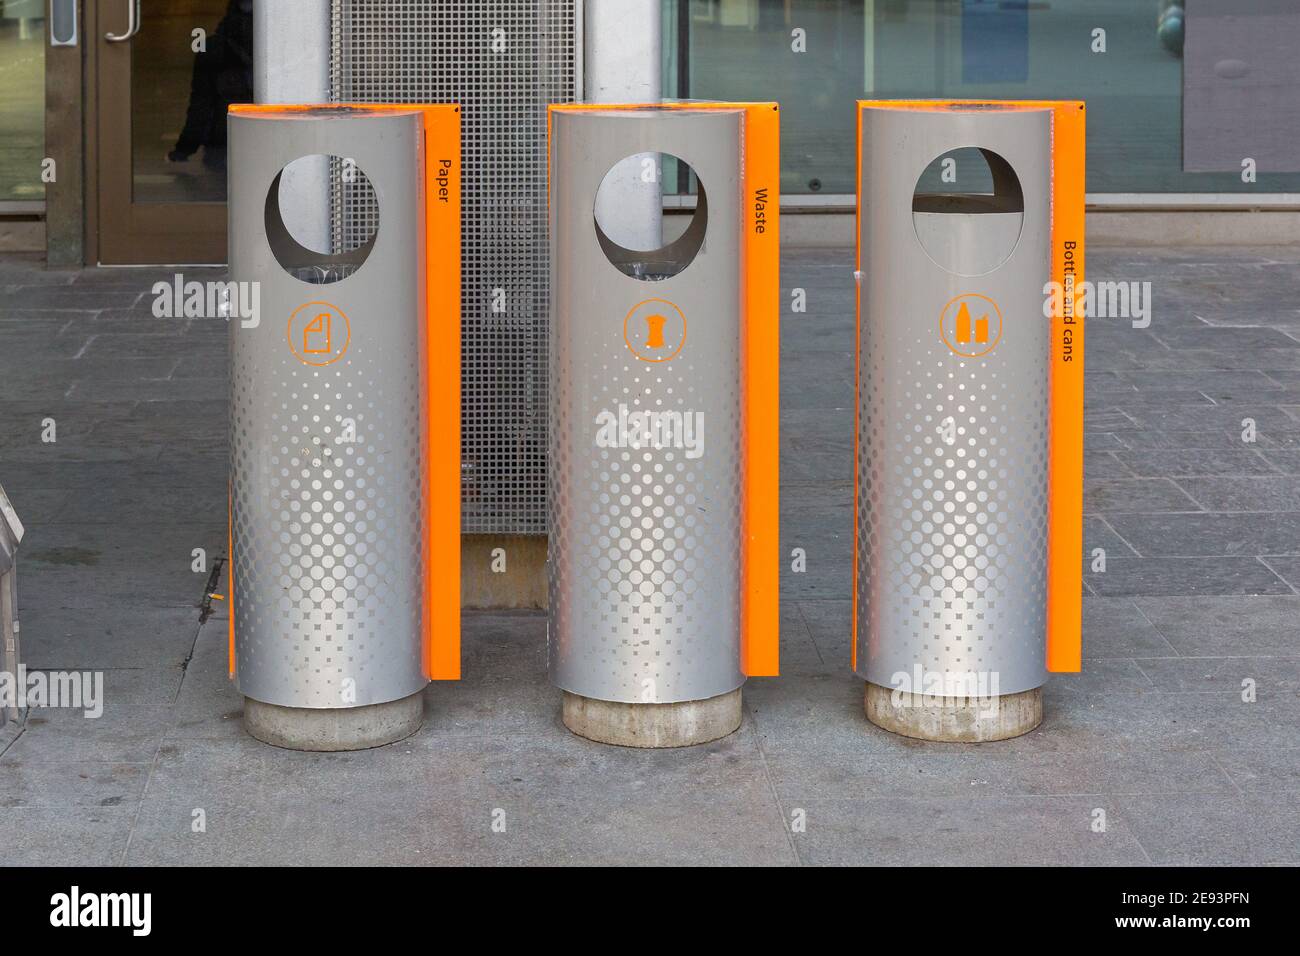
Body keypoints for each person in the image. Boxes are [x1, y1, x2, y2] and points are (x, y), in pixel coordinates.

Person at [168, 0, 254, 170]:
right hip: (268, 144)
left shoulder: (214, 49)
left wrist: (183, 150)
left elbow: (201, 105)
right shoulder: (284, 51)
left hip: (223, 147)